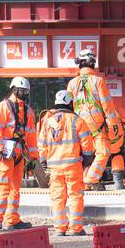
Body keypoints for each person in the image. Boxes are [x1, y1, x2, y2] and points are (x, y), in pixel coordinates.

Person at [68, 51, 125, 191]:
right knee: (103, 152)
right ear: (92, 64)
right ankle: (89, 180)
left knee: (84, 154)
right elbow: (107, 105)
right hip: (96, 126)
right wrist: (113, 125)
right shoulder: (98, 81)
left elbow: (69, 106)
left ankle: (81, 181)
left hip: (78, 125)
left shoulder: (72, 83)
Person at [0, 76, 39, 231]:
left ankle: (12, 219)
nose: (24, 93)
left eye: (26, 91)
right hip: (4, 154)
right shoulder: (3, 107)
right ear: (14, 90)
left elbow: (31, 137)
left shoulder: (29, 112)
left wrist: (34, 158)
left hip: (18, 154)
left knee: (15, 188)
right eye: (21, 91)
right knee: (2, 186)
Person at [39, 89, 88, 236]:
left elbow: (42, 143)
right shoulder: (77, 120)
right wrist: (87, 159)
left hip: (54, 168)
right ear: (70, 103)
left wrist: (44, 161)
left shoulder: (48, 121)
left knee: (58, 197)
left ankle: (60, 228)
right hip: (73, 166)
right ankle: (75, 229)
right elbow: (87, 143)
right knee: (75, 196)